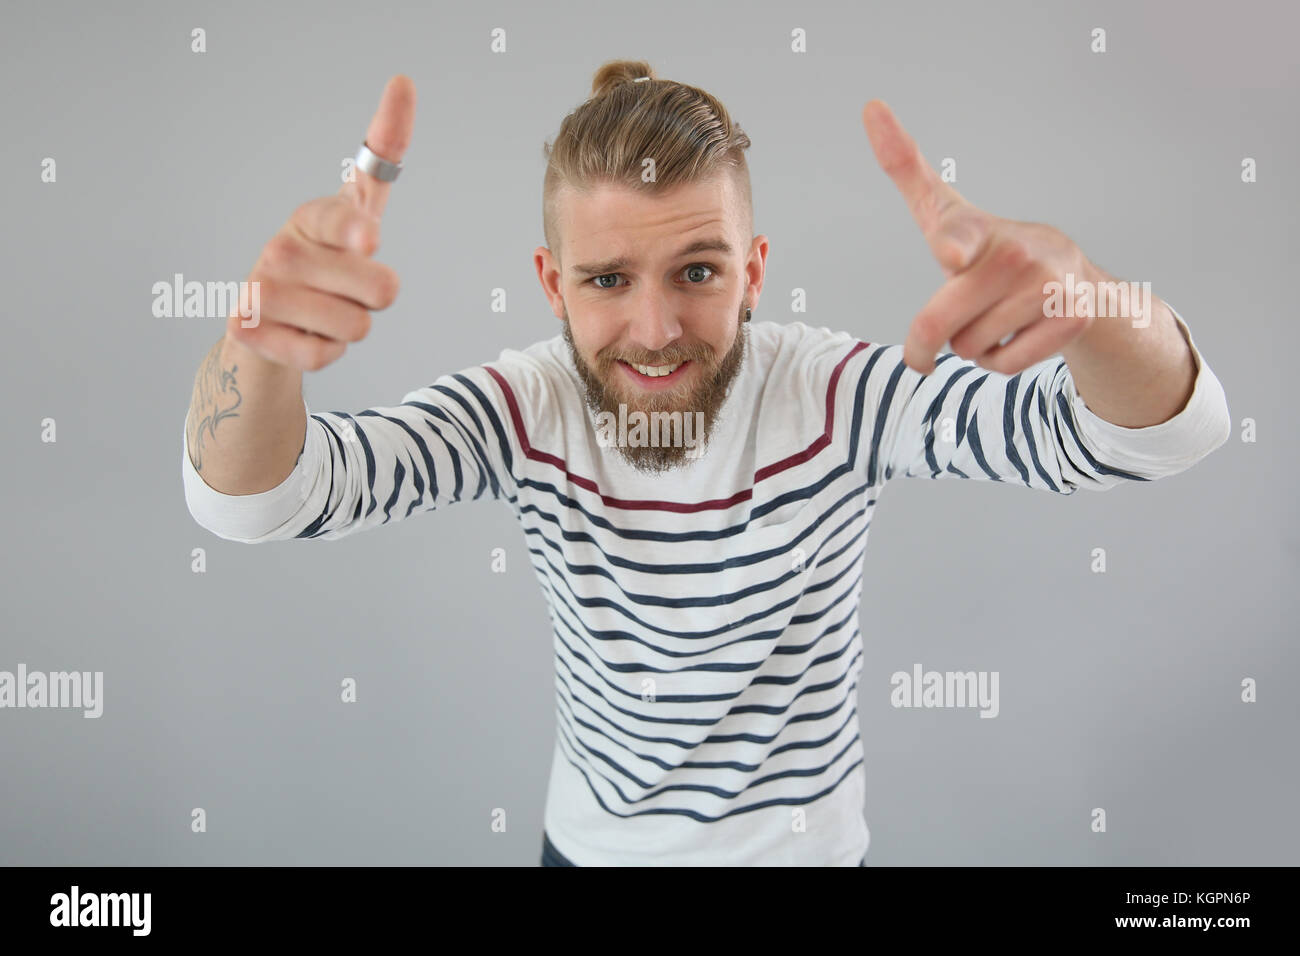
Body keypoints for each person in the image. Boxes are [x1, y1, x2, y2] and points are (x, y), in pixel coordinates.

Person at [181, 61, 1232, 866]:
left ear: (754, 270)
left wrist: (1088, 298)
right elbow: (260, 502)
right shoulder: (523, 406)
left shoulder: (836, 395)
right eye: (605, 278)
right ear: (550, 284)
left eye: (696, 270)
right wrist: (256, 341)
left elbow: (1158, 433)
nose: (653, 328)